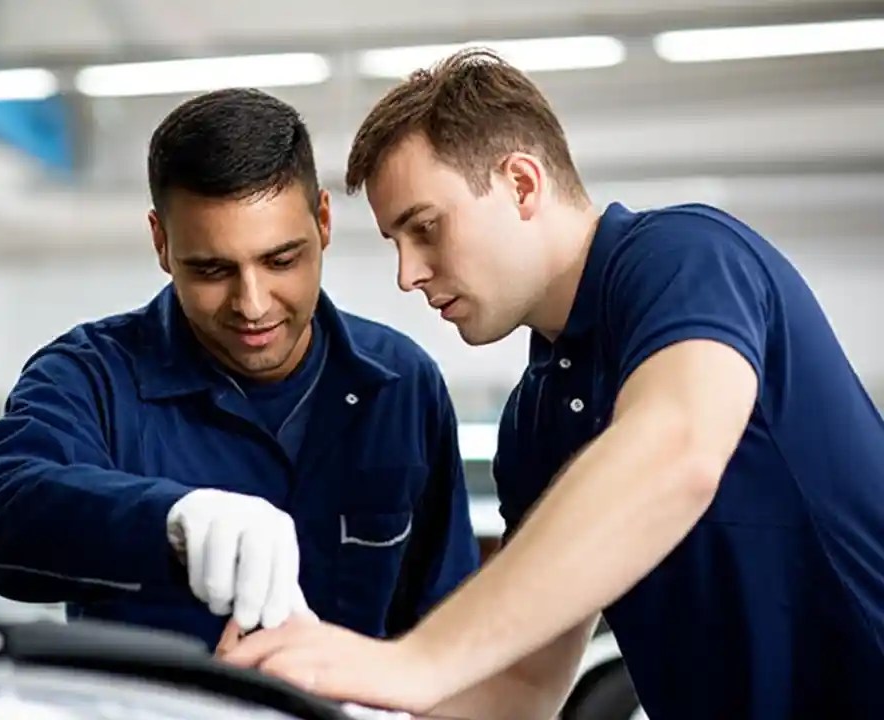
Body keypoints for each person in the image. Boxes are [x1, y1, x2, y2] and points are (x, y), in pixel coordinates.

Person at [219, 49, 884, 719]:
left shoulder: (682, 258)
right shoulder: (534, 421)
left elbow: (676, 451)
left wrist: (415, 661)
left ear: (522, 184)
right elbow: (523, 686)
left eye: (425, 229)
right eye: (397, 242)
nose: (408, 274)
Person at [0, 87, 481, 650]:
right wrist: (170, 522)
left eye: (281, 260)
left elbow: (447, 619)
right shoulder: (91, 377)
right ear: (161, 243)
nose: (252, 304)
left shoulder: (402, 384)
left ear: (323, 221)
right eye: (211, 270)